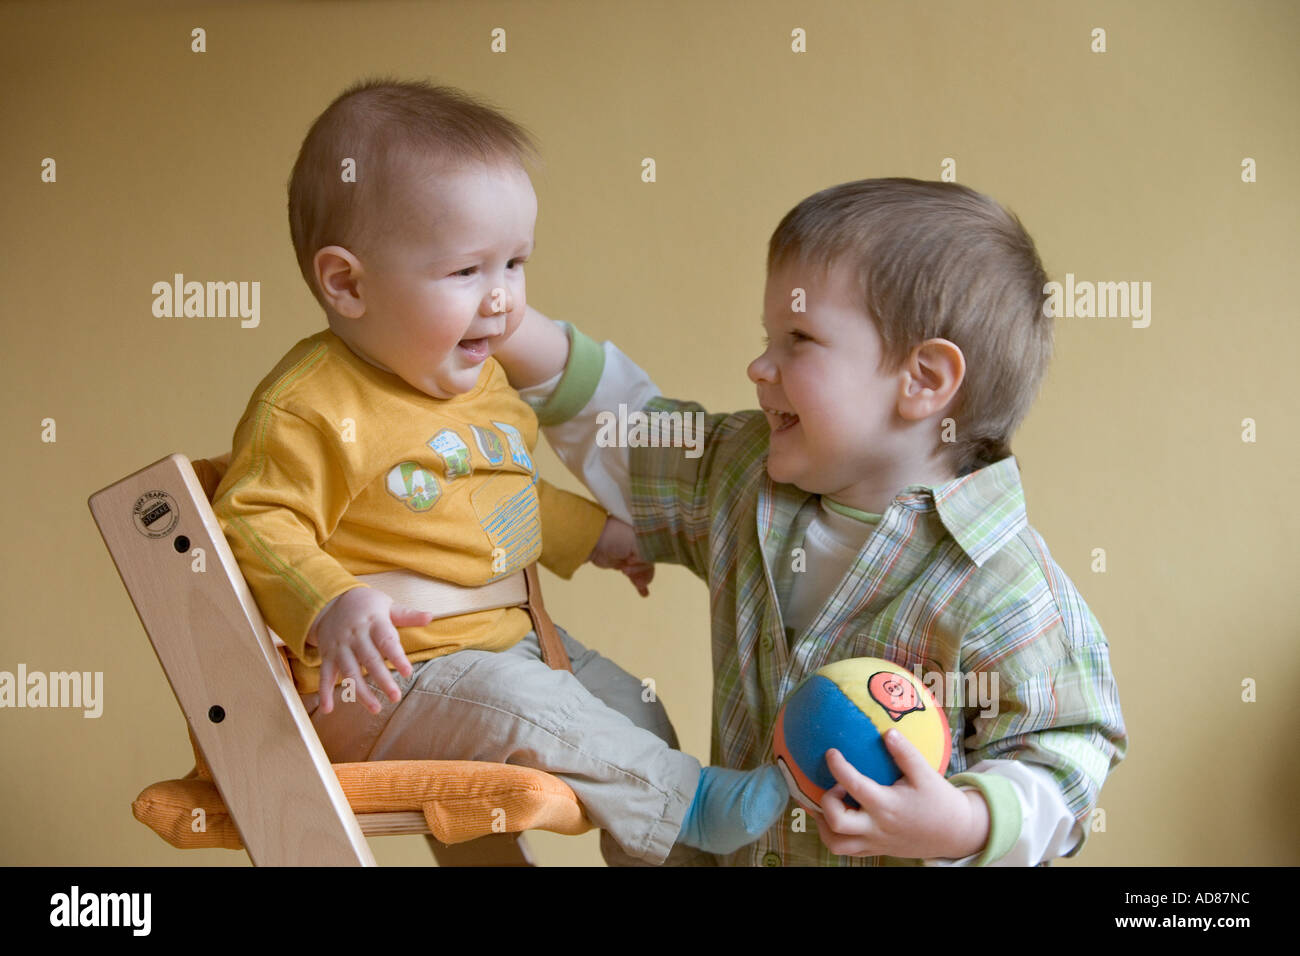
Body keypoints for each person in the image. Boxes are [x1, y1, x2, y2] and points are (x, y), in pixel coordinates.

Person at [212, 78, 787, 865]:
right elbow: (252, 519)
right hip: (387, 685)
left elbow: (505, 498)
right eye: (465, 273)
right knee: (538, 712)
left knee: (633, 716)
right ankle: (693, 805)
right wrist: (329, 603)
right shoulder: (310, 406)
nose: (503, 302)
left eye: (515, 264)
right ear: (347, 283)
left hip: (511, 648)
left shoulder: (481, 385)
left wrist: (602, 537)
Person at [495, 177, 1129, 866]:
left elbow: (1068, 751)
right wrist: (504, 322)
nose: (759, 365)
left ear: (923, 380)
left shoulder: (1003, 582)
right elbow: (631, 434)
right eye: (768, 336)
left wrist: (966, 822)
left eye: (798, 339)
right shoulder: (748, 479)